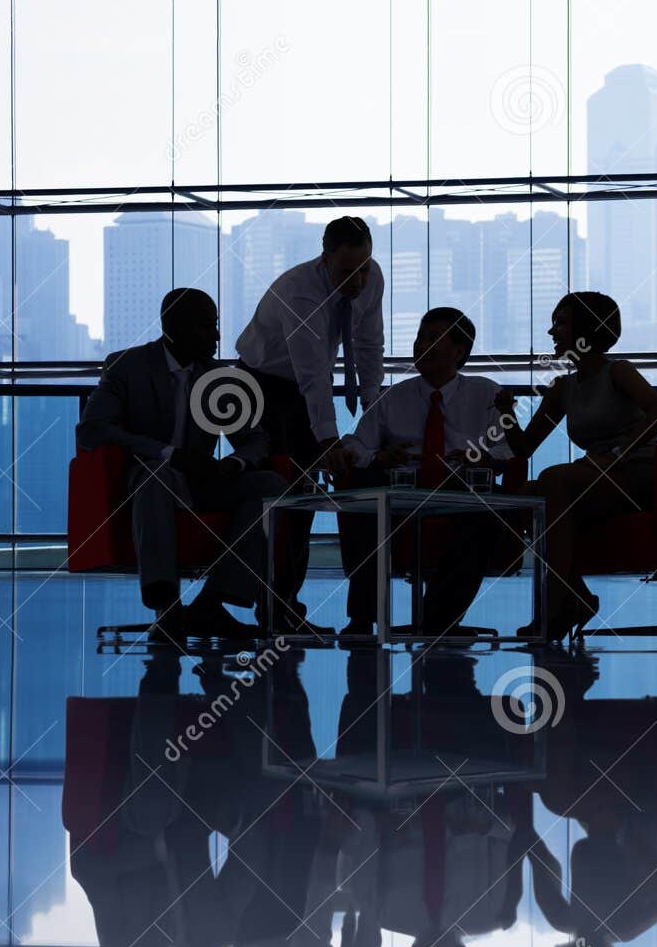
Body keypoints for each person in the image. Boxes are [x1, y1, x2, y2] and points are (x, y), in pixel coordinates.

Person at [76, 288, 285, 643]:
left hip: (204, 482)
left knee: (270, 486)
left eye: (215, 325)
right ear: (173, 327)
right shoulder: (127, 367)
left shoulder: (218, 377)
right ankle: (166, 605)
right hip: (154, 482)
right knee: (155, 475)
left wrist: (235, 462)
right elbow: (91, 431)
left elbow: (256, 439)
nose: (217, 336)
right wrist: (168, 453)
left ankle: (212, 603)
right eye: (207, 326)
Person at [235, 214, 386, 633]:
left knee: (307, 494)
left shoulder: (372, 279)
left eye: (363, 269)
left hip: (301, 389)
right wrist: (329, 440)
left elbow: (370, 345)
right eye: (345, 272)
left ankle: (285, 606)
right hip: (260, 387)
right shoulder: (299, 292)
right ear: (324, 260)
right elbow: (313, 375)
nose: (356, 282)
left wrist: (373, 411)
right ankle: (274, 606)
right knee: (289, 494)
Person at [328, 307, 514, 637]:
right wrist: (379, 457)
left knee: (482, 510)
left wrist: (481, 458)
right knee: (363, 487)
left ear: (459, 352)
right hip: (403, 489)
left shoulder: (486, 394)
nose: (420, 345)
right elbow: (356, 446)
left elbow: (508, 450)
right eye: (419, 337)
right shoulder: (394, 398)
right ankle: (362, 618)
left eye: (433, 338)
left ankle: (436, 620)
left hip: (460, 488)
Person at [499, 291, 657, 641]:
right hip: (596, 476)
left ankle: (555, 603)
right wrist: (505, 411)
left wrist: (618, 454)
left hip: (638, 472)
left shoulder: (618, 372)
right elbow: (524, 446)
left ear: (587, 330)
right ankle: (573, 596)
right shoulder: (564, 387)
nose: (551, 332)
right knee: (526, 495)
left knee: (552, 480)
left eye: (560, 323)